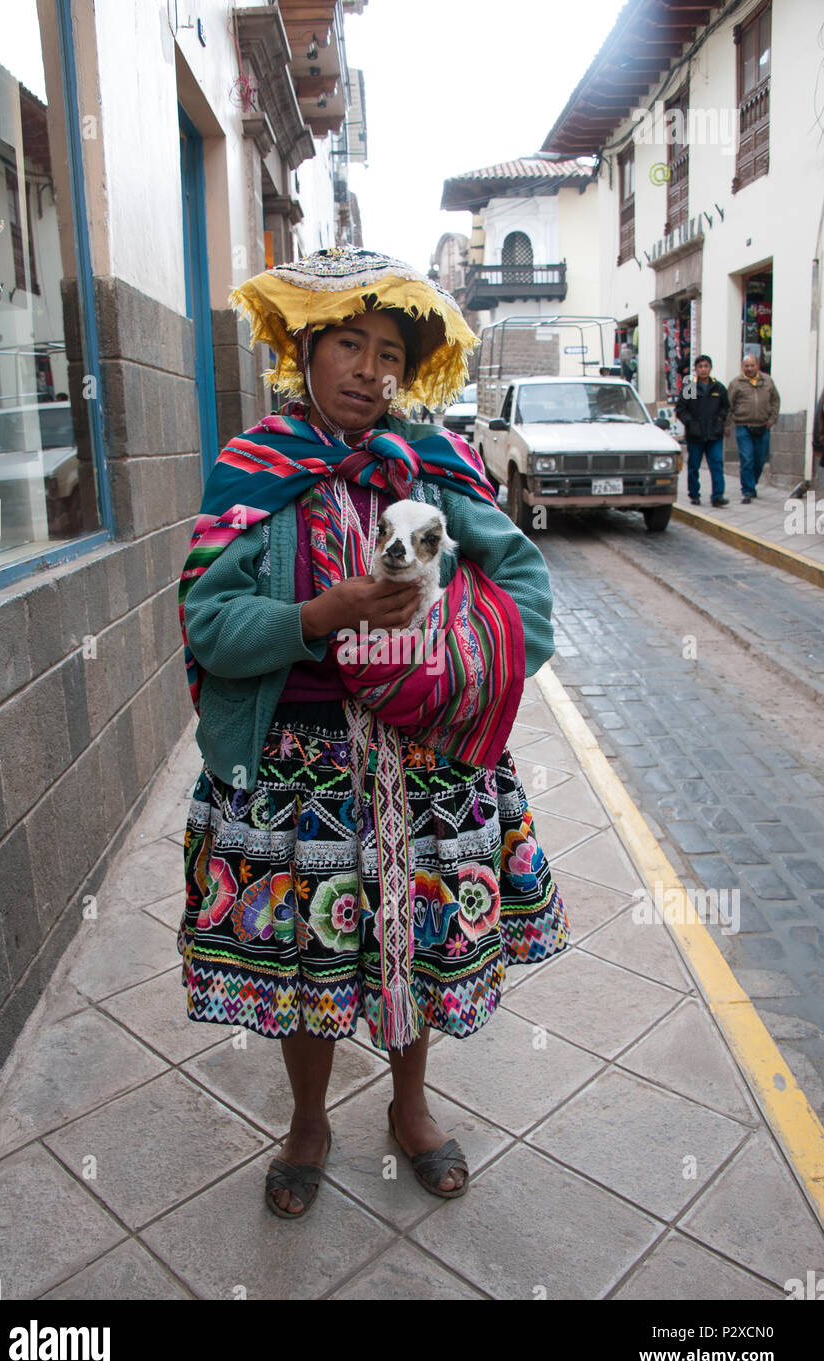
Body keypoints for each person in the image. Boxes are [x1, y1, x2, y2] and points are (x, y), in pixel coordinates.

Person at [176, 247, 570, 1218]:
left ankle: (409, 1105)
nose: (368, 367)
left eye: (387, 349)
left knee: (411, 939)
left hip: (426, 757)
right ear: (304, 350)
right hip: (293, 761)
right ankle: (308, 1120)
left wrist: (456, 655)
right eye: (347, 342)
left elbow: (530, 595)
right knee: (305, 956)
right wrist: (320, 614)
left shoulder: (437, 467)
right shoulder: (255, 467)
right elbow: (209, 625)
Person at [675, 354, 730, 507]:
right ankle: (694, 494)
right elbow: (681, 409)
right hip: (695, 435)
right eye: (700, 367)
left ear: (710, 368)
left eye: (706, 366)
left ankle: (718, 496)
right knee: (694, 466)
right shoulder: (690, 387)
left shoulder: (718, 388)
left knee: (717, 464)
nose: (703, 369)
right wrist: (691, 423)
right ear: (696, 369)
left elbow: (725, 407)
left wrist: (720, 420)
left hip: (714, 434)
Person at [727, 353, 781, 503]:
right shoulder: (736, 383)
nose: (749, 368)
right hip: (743, 426)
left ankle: (752, 483)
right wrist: (726, 425)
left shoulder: (767, 381)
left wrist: (772, 419)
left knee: (760, 459)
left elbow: (775, 400)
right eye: (746, 366)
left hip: (763, 426)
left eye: (752, 365)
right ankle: (747, 490)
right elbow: (728, 406)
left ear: (757, 365)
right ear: (742, 367)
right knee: (747, 459)